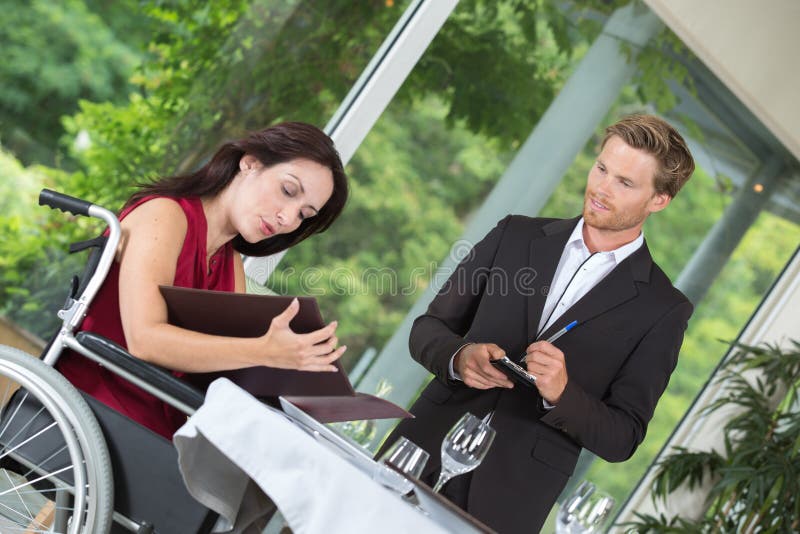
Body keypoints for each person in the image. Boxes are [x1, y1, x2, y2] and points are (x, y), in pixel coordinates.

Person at [382, 114, 695, 533]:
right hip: (419, 452)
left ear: (658, 200)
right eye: (601, 168)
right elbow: (428, 329)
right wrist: (460, 357)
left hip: (507, 503)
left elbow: (624, 437)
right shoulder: (514, 234)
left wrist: (563, 394)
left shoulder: (663, 308)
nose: (601, 188)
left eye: (625, 183)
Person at [57, 122, 349, 439]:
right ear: (250, 163)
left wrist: (294, 367)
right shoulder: (166, 216)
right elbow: (145, 340)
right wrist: (265, 351)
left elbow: (222, 365)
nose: (289, 219)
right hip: (95, 408)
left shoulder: (230, 263)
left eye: (305, 214)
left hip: (166, 419)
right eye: (288, 191)